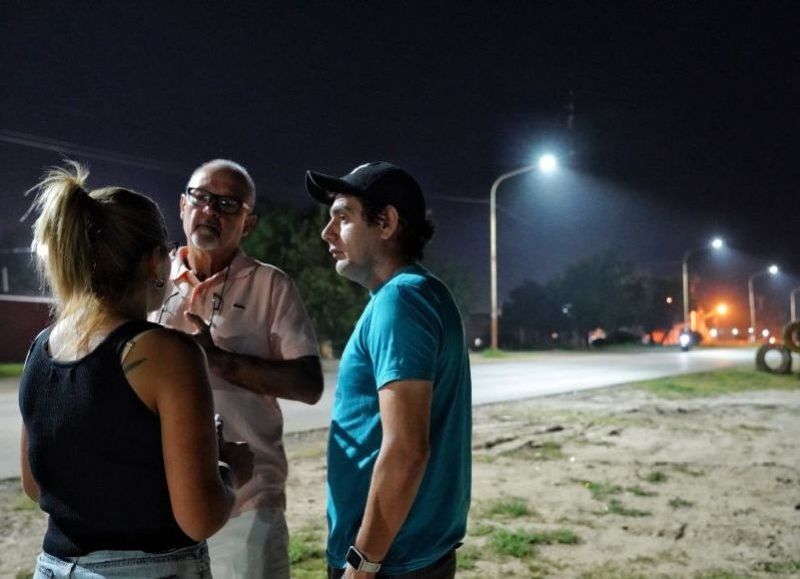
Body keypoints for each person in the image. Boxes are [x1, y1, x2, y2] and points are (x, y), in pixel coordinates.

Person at [19, 161, 253, 578]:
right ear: (152, 262)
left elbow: (37, 486)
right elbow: (198, 518)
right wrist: (229, 470)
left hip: (53, 565)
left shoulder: (41, 348)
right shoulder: (166, 353)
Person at [151, 158, 324, 579]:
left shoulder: (272, 286)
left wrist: (221, 361)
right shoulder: (149, 280)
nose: (211, 210)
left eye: (229, 204)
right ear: (182, 205)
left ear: (248, 224)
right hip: (160, 504)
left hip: (246, 504)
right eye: (202, 198)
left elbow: (308, 383)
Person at [305, 161, 472, 578]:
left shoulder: (401, 302)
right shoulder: (422, 293)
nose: (327, 233)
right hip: (410, 555)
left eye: (342, 217)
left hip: (389, 563)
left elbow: (406, 448)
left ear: (386, 223)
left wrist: (362, 563)